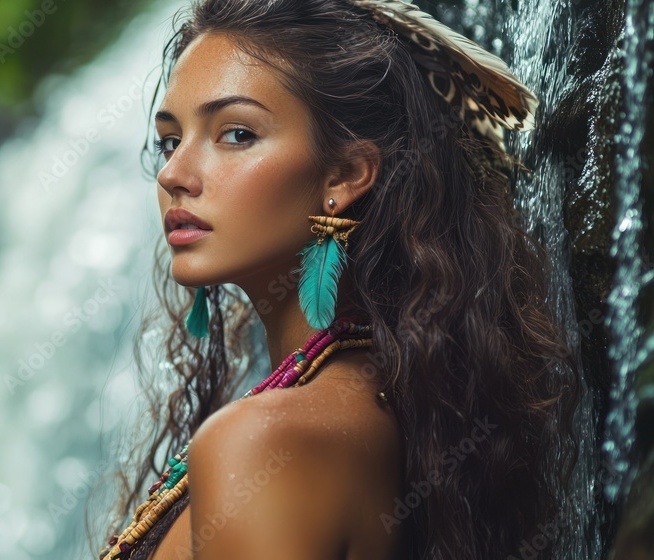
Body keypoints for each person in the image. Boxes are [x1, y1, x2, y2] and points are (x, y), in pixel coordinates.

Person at [90, 1, 582, 558]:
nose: (173, 174)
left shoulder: (266, 444)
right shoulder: (399, 402)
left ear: (345, 174)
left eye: (235, 134)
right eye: (169, 140)